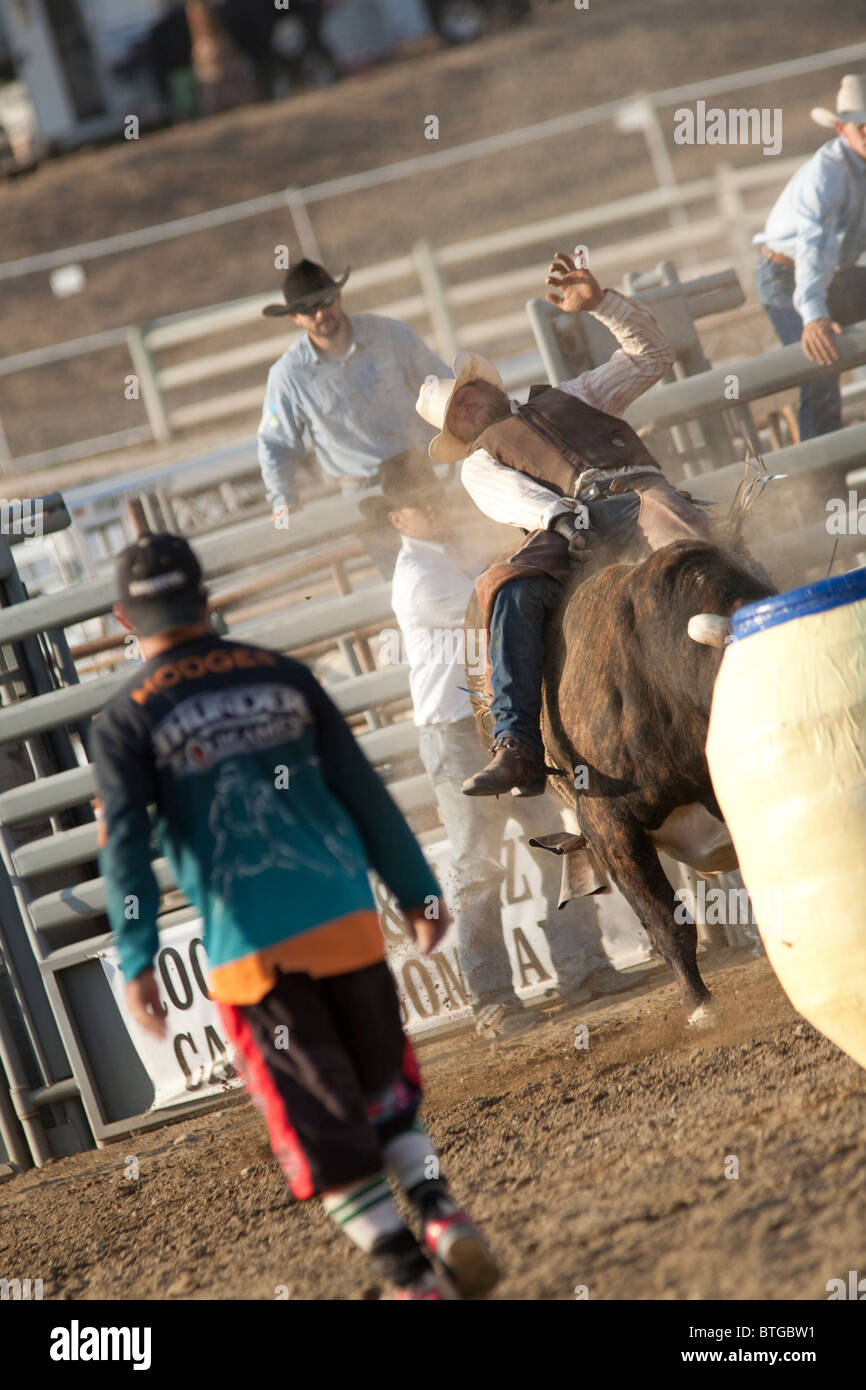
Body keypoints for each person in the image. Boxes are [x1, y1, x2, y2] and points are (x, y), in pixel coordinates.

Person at [89, 531, 499, 1301]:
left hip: (257, 955)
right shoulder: (284, 677)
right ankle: (440, 1213)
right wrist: (417, 891)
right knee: (385, 1091)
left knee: (318, 1124)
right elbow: (362, 791)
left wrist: (139, 957)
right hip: (346, 923)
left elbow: (126, 850)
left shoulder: (126, 720)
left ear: (123, 619)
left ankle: (410, 1278)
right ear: (206, 602)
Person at [364, 451, 646, 1033]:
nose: (436, 504)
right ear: (398, 517)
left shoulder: (441, 560)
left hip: (484, 725)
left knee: (553, 843)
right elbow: (490, 602)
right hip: (461, 731)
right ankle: (502, 997)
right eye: (422, 499)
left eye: (434, 494)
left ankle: (579, 968)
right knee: (481, 865)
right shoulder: (423, 578)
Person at [415, 250, 705, 797]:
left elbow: (651, 354)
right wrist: (562, 519)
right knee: (509, 593)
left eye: (468, 390)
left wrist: (603, 305)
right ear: (457, 431)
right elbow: (515, 498)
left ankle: (762, 622)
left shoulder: (573, 395)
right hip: (566, 526)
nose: (468, 403)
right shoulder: (477, 463)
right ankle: (518, 745)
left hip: (639, 494)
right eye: (457, 409)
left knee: (687, 530)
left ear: (489, 385)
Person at [257, 258, 449, 574]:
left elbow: (441, 386)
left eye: (325, 301)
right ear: (295, 318)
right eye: (308, 309)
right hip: (367, 491)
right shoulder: (288, 375)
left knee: (459, 560)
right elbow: (275, 444)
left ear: (339, 297)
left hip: (420, 471)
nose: (321, 314)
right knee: (402, 574)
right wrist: (283, 500)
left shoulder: (390, 334)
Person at [754, 73, 866, 440]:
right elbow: (812, 244)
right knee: (821, 364)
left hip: (830, 273)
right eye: (862, 127)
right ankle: (821, 487)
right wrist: (814, 314)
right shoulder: (827, 172)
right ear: (841, 130)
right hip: (786, 275)